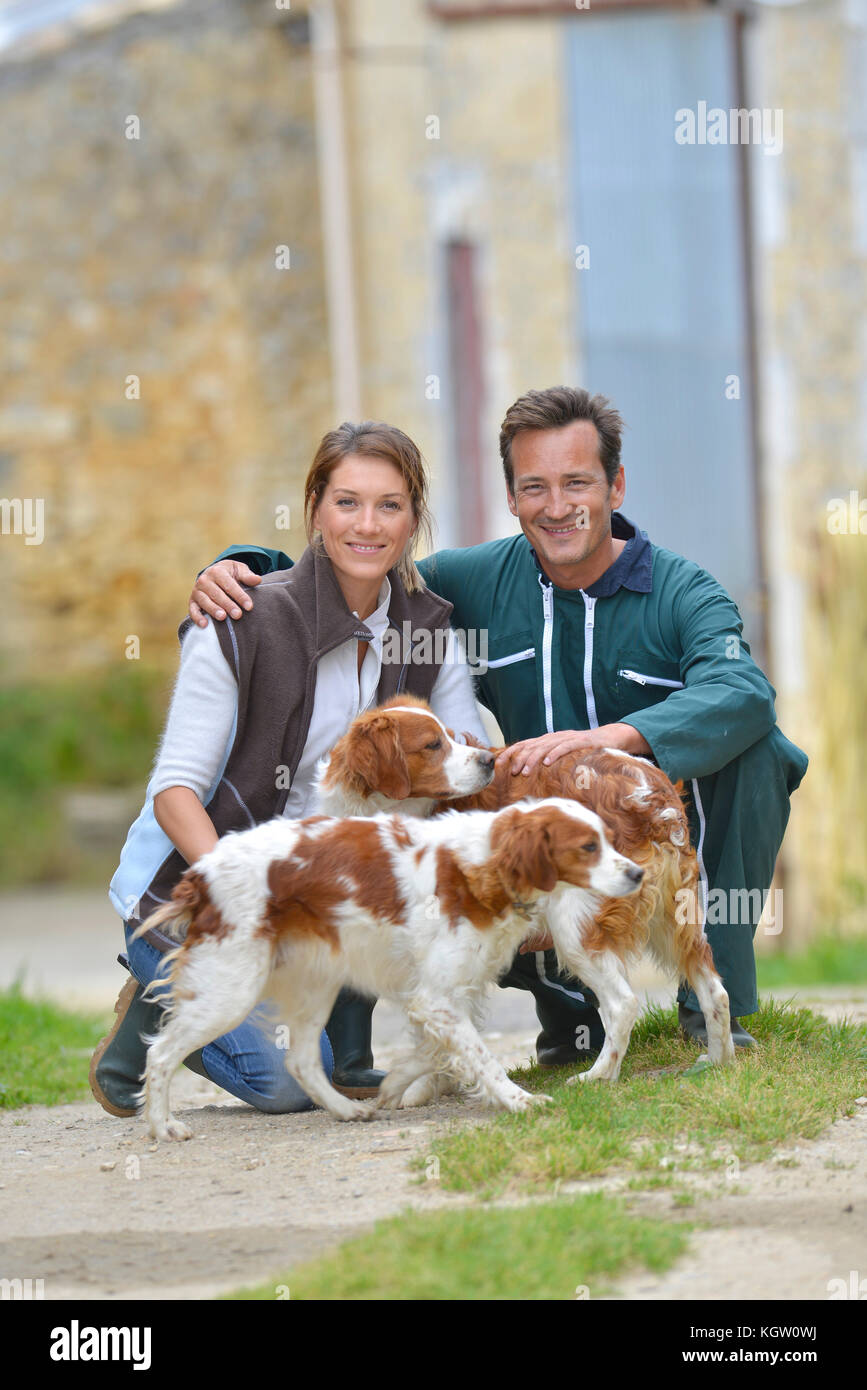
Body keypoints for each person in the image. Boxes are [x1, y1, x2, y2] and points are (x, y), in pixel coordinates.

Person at [188, 387, 809, 1065]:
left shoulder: (683, 592)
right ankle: (565, 1009)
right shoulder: (471, 579)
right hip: (527, 839)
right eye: (533, 487)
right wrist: (241, 567)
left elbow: (742, 692)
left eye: (577, 482)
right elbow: (359, 568)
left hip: (651, 834)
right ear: (511, 498)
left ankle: (714, 1001)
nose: (555, 505)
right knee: (448, 799)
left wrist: (610, 738)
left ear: (616, 486)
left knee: (762, 751)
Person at [90, 421, 488, 1119]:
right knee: (282, 1086)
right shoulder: (240, 619)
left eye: (389, 505)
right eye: (346, 502)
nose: (367, 525)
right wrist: (251, 904)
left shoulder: (430, 631)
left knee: (330, 1063)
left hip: (318, 900)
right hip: (196, 888)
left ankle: (301, 1019)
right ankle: (156, 996)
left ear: (414, 519)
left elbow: (467, 769)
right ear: (313, 511)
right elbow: (174, 794)